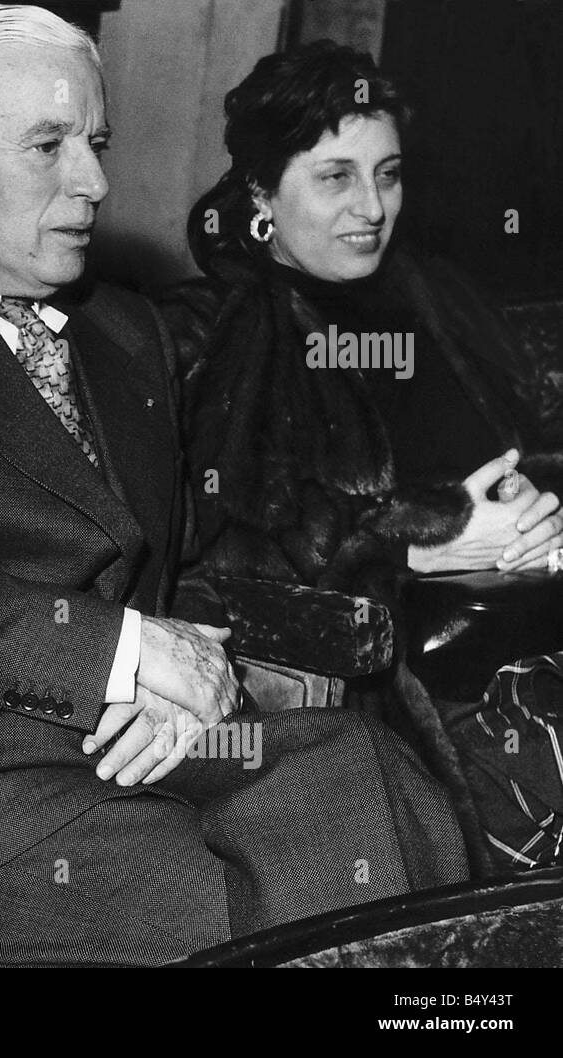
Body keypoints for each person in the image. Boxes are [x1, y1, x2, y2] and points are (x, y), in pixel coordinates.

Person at [0, 3, 469, 967]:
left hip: (162, 739)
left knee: (370, 775)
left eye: (96, 141)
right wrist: (122, 655)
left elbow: (184, 557)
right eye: (50, 145)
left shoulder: (125, 331)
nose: (95, 181)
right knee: (284, 918)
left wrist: (182, 666)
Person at [157, 40, 563, 873]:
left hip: (530, 638)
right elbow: (214, 553)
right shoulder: (218, 330)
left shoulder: (435, 301)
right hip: (396, 697)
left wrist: (539, 522)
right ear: (263, 192)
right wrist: (417, 545)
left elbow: (527, 448)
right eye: (336, 176)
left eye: (389, 173)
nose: (372, 206)